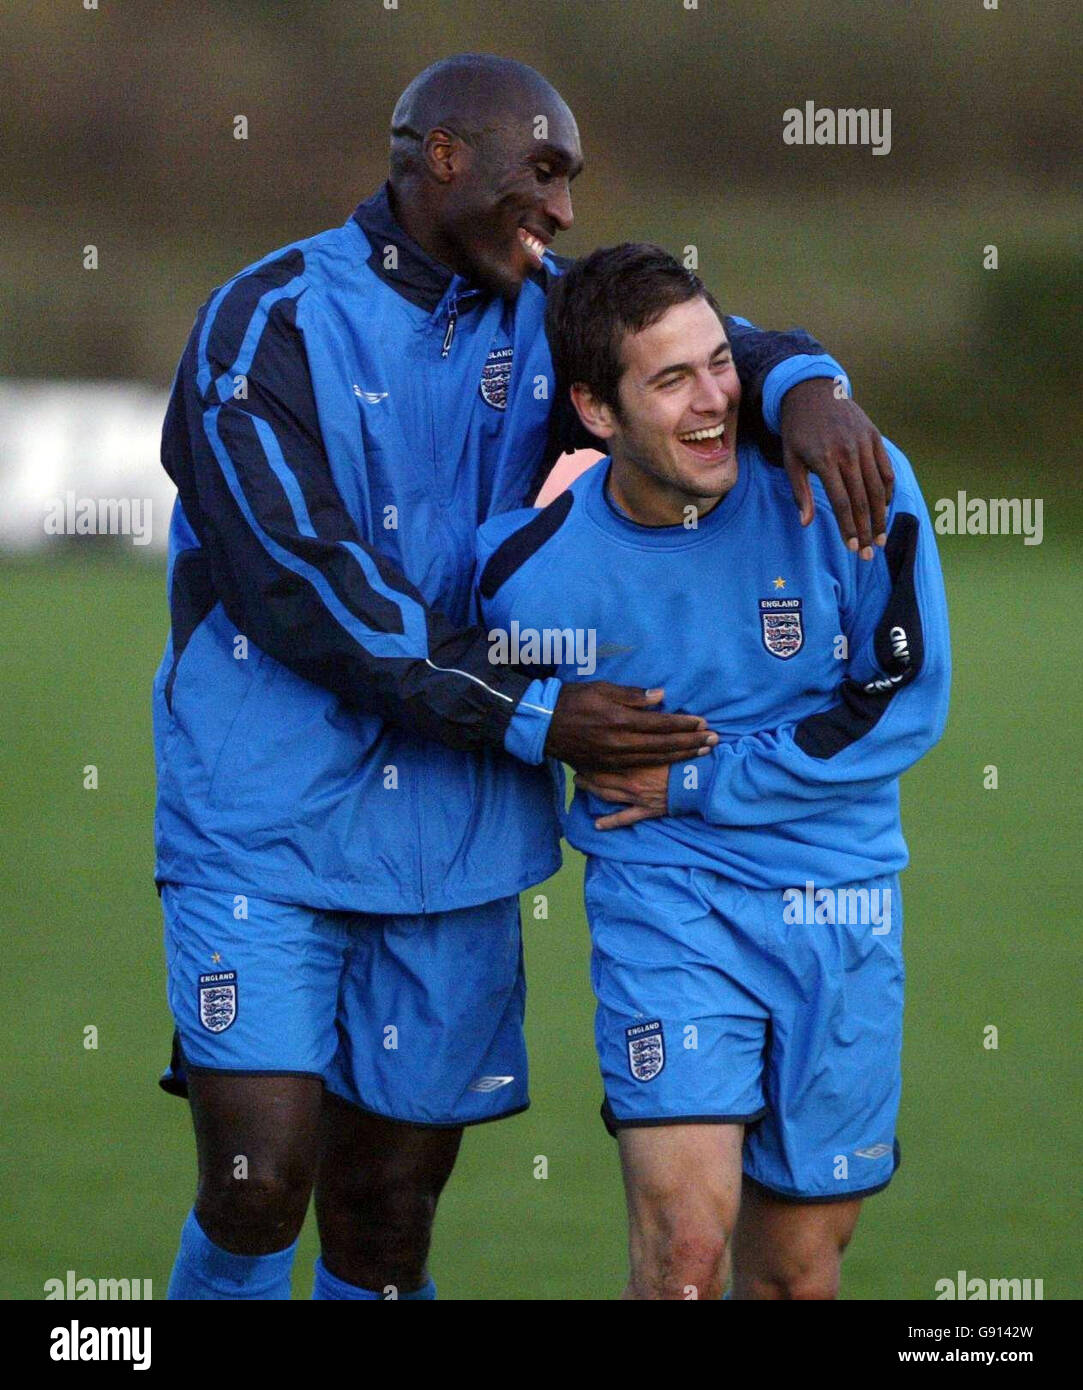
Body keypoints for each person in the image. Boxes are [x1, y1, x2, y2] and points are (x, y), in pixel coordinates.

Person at [154, 53, 893, 1302]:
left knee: (386, 1219)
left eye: (571, 185)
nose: (559, 210)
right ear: (443, 157)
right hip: (262, 820)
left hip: (457, 843)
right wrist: (537, 710)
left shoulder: (548, 315)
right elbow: (301, 585)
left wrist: (805, 382)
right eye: (542, 175)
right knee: (256, 1178)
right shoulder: (265, 321)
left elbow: (691, 343)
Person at [476, 243, 950, 1299]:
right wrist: (540, 725)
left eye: (721, 364)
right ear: (596, 413)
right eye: (672, 379)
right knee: (684, 1258)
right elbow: (453, 688)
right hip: (667, 900)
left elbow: (906, 701)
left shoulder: (851, 479)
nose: (713, 403)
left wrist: (695, 778)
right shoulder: (523, 575)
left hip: (841, 902)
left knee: (795, 1274)